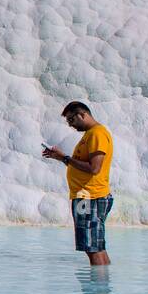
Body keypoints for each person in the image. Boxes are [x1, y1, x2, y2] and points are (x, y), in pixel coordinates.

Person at [43, 101, 114, 266]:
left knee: (92, 247)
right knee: (94, 246)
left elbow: (94, 168)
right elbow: (82, 165)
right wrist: (60, 158)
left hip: (90, 196)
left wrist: (64, 158)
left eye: (71, 120)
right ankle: (101, 283)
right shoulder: (91, 134)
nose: (70, 125)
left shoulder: (97, 134)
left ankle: (97, 289)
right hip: (86, 195)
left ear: (82, 115)